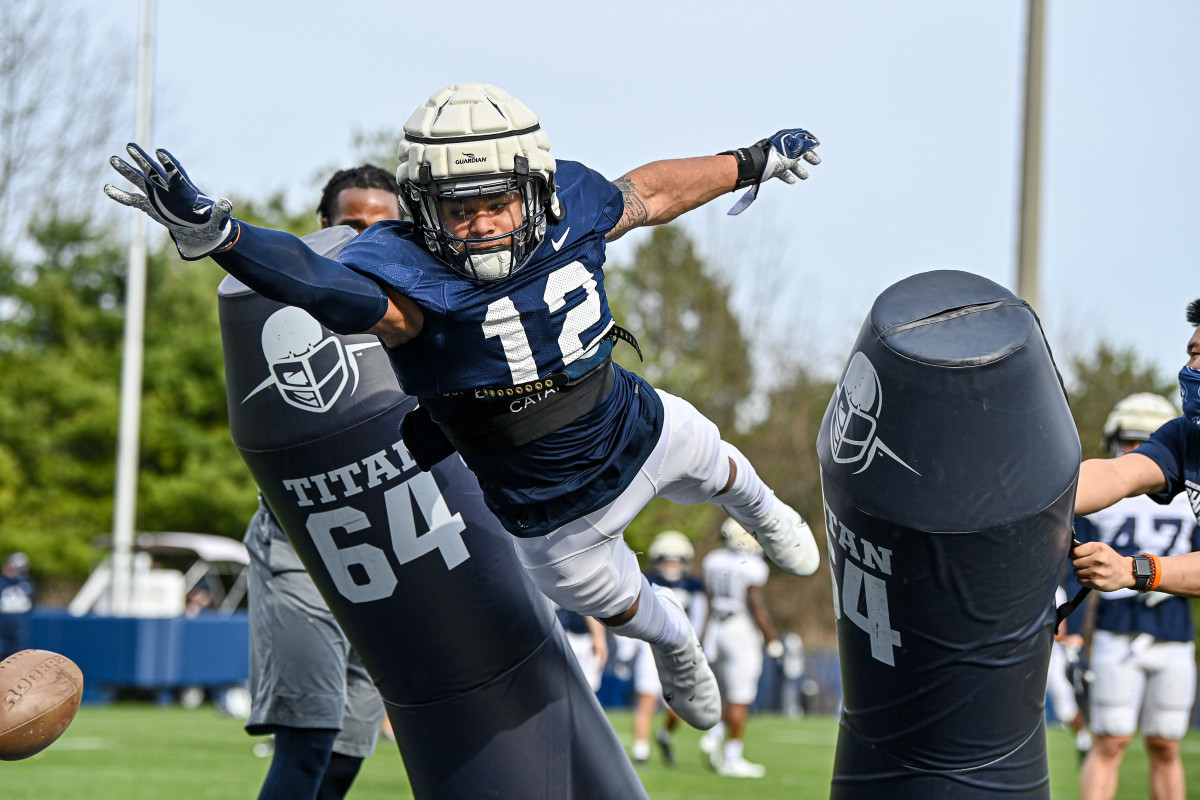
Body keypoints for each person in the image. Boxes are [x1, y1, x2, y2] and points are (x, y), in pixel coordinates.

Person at [104, 82, 823, 730]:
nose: (481, 224)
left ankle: (763, 510)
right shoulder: (403, 272)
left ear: (534, 190)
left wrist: (750, 160)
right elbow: (318, 284)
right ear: (423, 208)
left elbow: (650, 194)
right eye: (459, 208)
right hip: (551, 514)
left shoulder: (572, 206)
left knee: (720, 460)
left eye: (496, 202)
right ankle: (676, 642)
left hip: (638, 426)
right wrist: (224, 238)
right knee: (618, 601)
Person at [243, 165, 398, 800]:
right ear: (323, 225)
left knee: (344, 758)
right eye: (351, 224)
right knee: (307, 744)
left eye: (383, 225)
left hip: (391, 553)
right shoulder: (278, 304)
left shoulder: (422, 307)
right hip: (302, 544)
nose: (365, 237)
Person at [1064, 392, 1196, 800]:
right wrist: (1070, 626)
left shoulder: (1190, 495)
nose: (1137, 449)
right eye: (1130, 441)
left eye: (1146, 439)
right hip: (1117, 628)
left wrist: (1135, 570)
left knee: (1166, 742)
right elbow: (1075, 567)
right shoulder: (1101, 498)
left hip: (1173, 629)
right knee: (1110, 739)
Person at [1070, 298, 1200, 597]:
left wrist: (1134, 570)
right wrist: (1035, 496)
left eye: (1196, 355)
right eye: (1190, 354)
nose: (1188, 368)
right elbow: (1117, 474)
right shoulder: (1186, 435)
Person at [697, 519, 784, 778]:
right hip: (740, 630)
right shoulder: (753, 566)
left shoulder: (712, 560)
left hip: (717, 628)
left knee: (729, 693)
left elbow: (709, 599)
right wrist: (771, 639)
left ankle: (714, 736)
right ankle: (732, 756)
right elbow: (756, 605)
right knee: (740, 697)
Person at [622, 529, 707, 767]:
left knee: (679, 704)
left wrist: (697, 646)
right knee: (646, 698)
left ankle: (664, 735)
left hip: (679, 646)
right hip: (650, 645)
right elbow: (636, 614)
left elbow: (699, 619)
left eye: (676, 560)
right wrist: (628, 648)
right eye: (667, 560)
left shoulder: (692, 586)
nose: (671, 565)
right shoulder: (647, 581)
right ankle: (641, 751)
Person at [553, 603, 609, 692]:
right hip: (572, 635)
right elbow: (588, 606)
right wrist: (599, 637)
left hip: (579, 636)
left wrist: (598, 637)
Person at [0, 552, 35, 659]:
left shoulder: (27, 585)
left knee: (16, 661)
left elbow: (31, 604)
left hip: (18, 633)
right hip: (2, 632)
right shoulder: (2, 583)